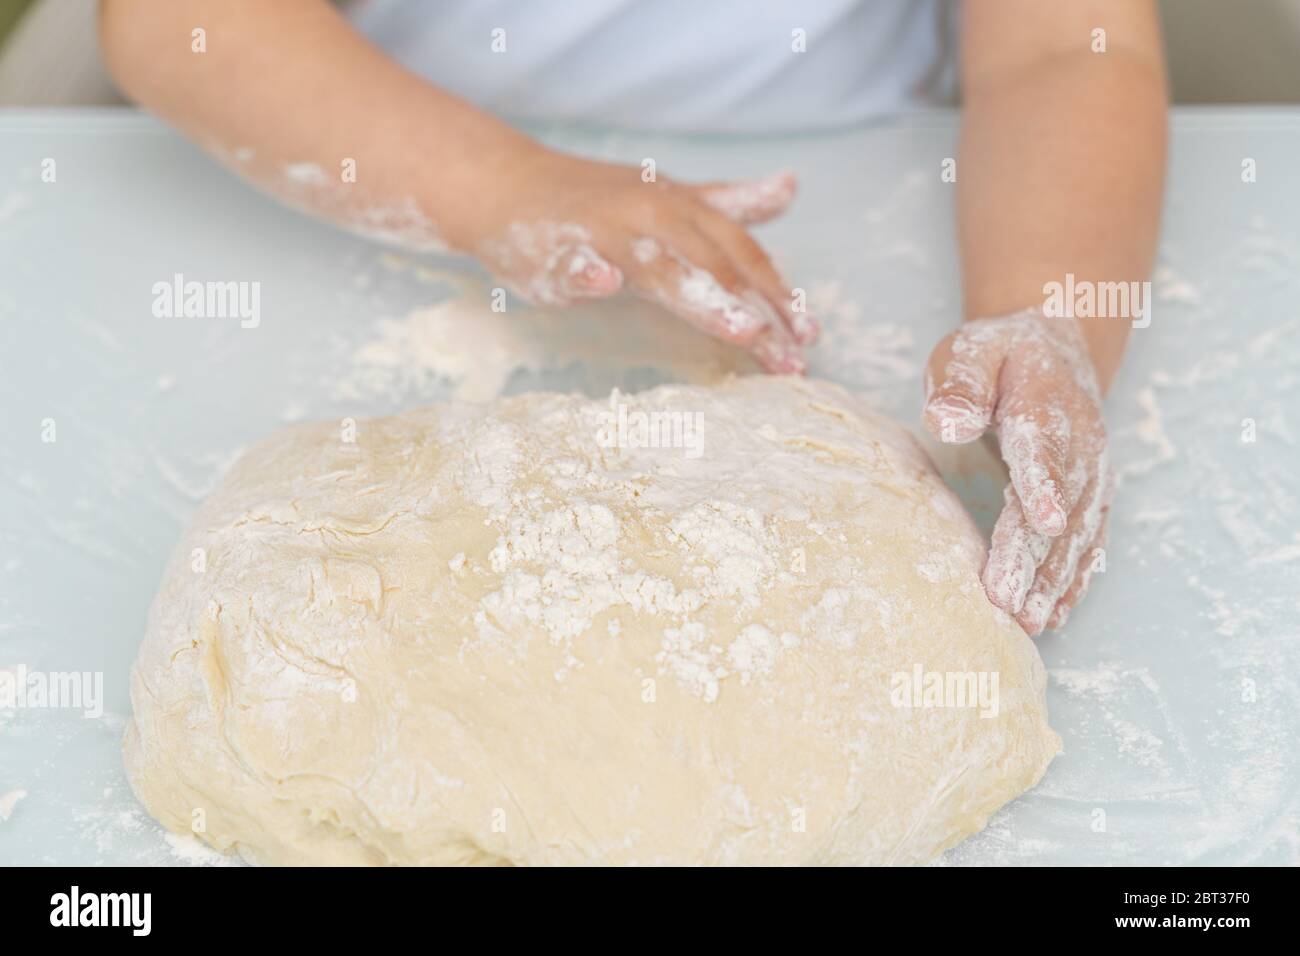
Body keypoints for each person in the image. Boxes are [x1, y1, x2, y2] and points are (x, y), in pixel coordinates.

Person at [97, 0, 1168, 635]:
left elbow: (1064, 47)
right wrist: (496, 186)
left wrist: (1046, 310)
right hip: (392, 133)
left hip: (890, 162)